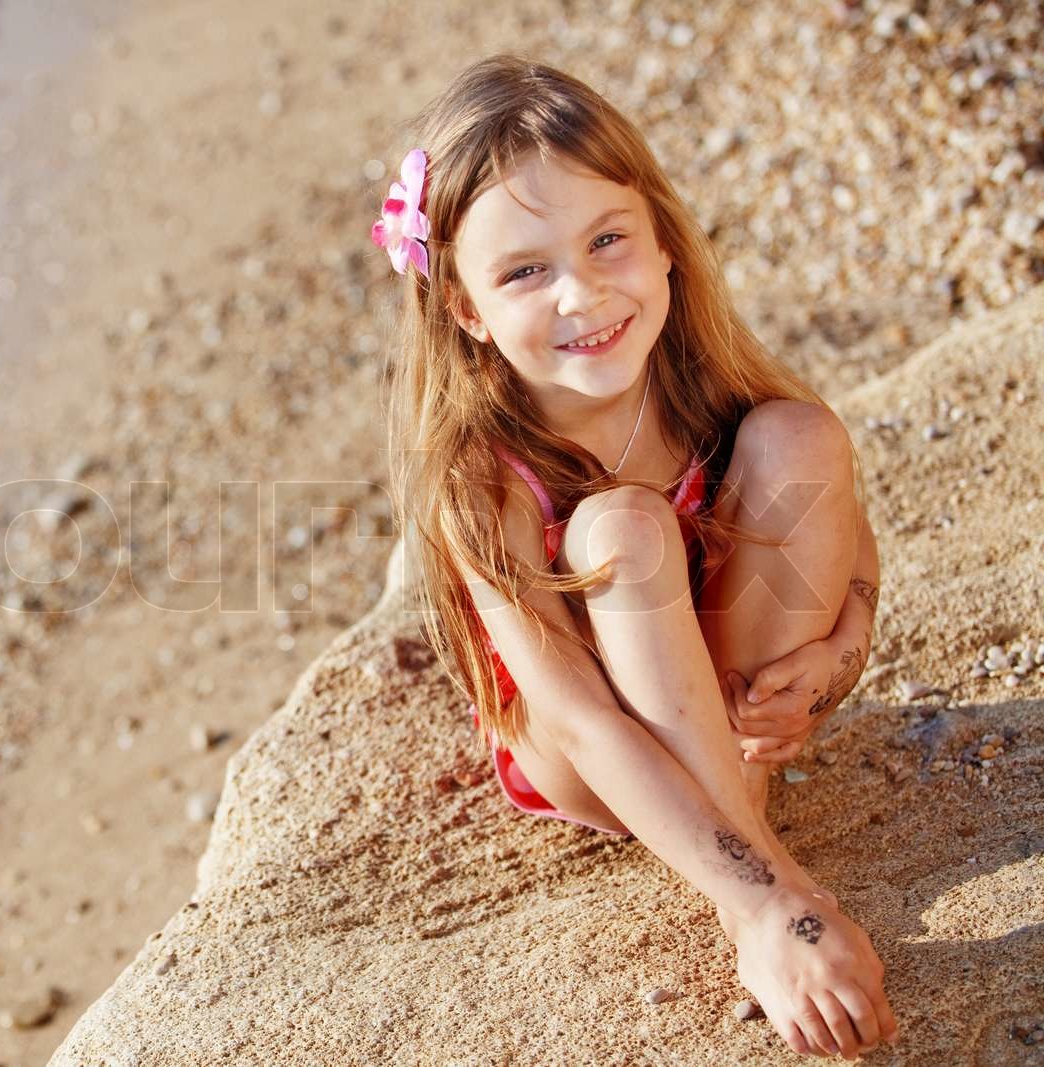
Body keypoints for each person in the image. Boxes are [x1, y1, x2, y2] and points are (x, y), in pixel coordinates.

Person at [376, 54, 898, 1059]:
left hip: (728, 700)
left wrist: (838, 650)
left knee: (803, 438)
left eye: (606, 240)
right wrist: (773, 904)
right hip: (594, 759)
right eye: (524, 270)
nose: (582, 294)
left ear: (661, 240)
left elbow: (852, 532)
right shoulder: (476, 472)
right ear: (465, 309)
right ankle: (749, 883)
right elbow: (575, 717)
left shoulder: (699, 374)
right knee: (621, 527)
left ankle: (731, 834)